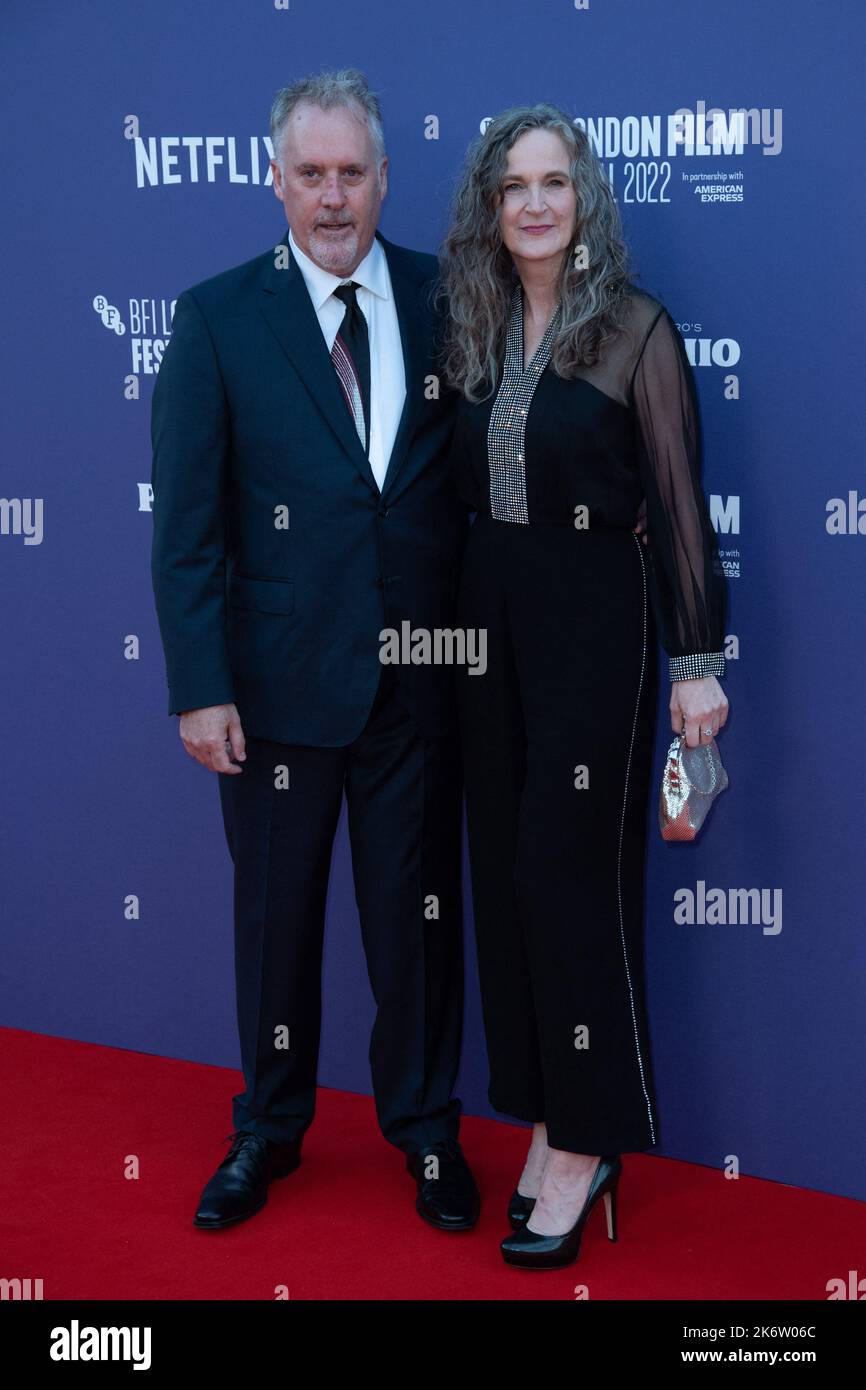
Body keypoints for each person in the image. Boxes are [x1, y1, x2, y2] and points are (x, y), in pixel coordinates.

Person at [150, 69, 480, 1233]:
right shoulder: (217, 317)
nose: (333, 196)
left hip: (419, 684)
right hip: (278, 688)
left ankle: (427, 1132)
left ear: (385, 179)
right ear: (275, 180)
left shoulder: (451, 300)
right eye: (312, 174)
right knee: (275, 925)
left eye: (353, 173)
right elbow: (185, 529)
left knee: (417, 925)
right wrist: (201, 689)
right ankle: (269, 1129)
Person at [438, 104, 730, 1269]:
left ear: (584, 197)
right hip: (483, 629)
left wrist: (695, 666)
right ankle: (544, 1108)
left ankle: (584, 1134)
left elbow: (676, 510)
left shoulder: (633, 331)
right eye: (512, 185)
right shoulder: (473, 323)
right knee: (507, 880)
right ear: (488, 206)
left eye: (554, 182)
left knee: (567, 878)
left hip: (592, 627)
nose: (534, 204)